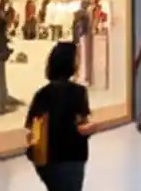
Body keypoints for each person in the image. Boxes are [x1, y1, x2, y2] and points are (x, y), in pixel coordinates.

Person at [24, 42, 95, 191]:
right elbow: (82, 127)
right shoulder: (78, 92)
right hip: (72, 158)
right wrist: (95, 127)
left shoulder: (42, 94)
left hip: (46, 161)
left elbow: (31, 128)